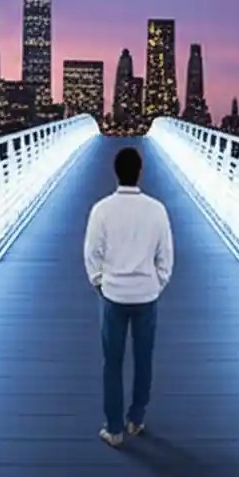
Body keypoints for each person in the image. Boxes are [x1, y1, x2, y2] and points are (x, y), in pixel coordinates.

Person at [84, 146, 174, 448]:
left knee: (112, 361)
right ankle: (137, 418)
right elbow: (167, 257)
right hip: (146, 295)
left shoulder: (102, 209)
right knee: (143, 359)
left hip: (113, 296)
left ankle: (114, 428)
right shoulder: (157, 209)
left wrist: (99, 282)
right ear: (140, 172)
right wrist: (155, 284)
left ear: (115, 172)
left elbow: (91, 252)